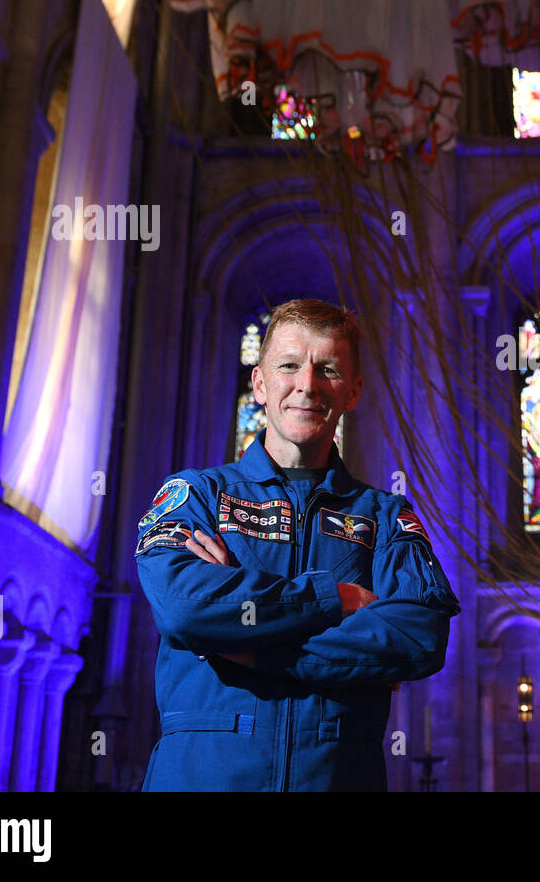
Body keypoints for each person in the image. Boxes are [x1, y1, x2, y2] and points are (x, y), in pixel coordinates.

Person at [134, 299, 460, 790]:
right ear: (260, 383)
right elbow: (184, 607)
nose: (307, 385)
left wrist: (252, 648)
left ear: (353, 392)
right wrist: (336, 599)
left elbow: (419, 637)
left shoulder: (386, 516)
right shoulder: (197, 496)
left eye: (327, 369)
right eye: (289, 366)